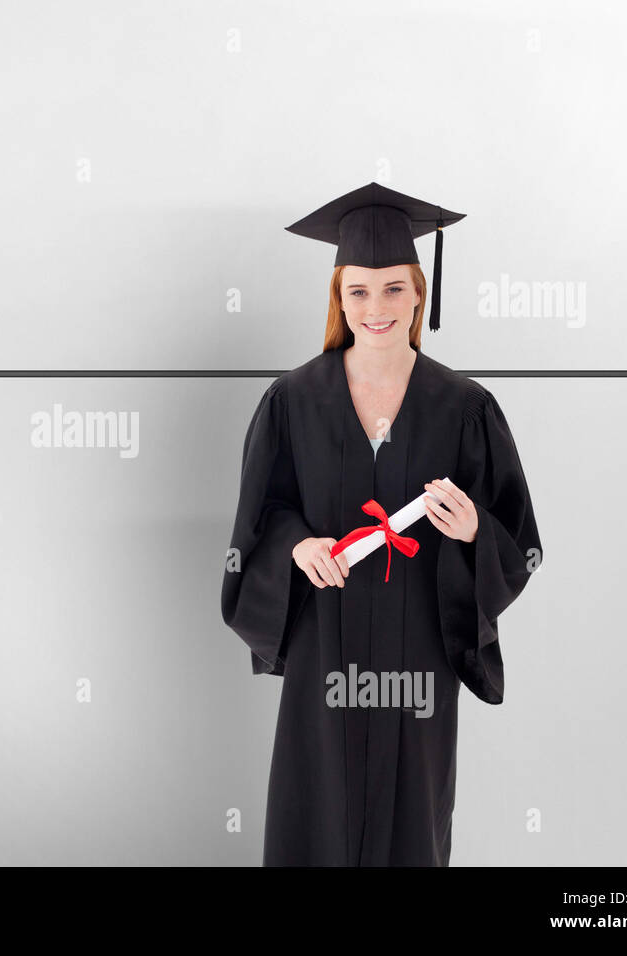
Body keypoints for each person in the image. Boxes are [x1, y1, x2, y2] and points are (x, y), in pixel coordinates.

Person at [220, 183, 543, 866]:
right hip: (324, 654)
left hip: (419, 655)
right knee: (317, 813)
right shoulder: (291, 402)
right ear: (339, 297)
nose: (377, 308)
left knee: (412, 822)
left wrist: (471, 531)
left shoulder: (464, 408)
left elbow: (516, 541)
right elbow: (259, 524)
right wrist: (298, 545)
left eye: (394, 289)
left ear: (419, 294)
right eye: (359, 291)